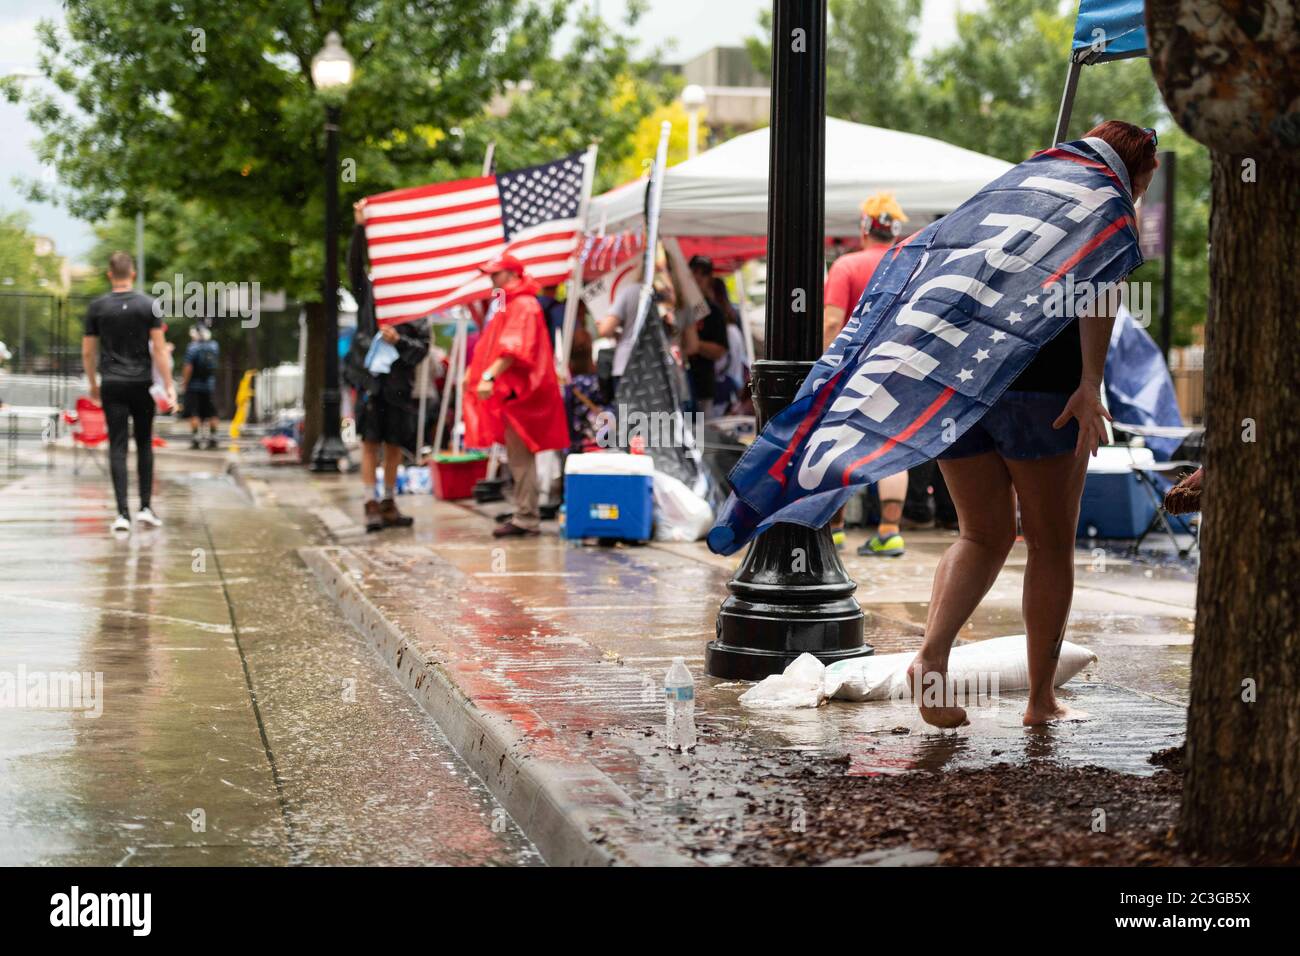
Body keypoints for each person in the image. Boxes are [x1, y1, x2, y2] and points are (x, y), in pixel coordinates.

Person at [909, 121, 1159, 728]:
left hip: (958, 380)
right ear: (1136, 171)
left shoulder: (1018, 188)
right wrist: (1089, 385)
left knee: (980, 535)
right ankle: (1041, 700)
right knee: (1050, 543)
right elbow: (1097, 296)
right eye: (1146, 180)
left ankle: (932, 657)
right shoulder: (1105, 204)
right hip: (1039, 387)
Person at [823, 193, 912, 554]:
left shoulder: (847, 266)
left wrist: (824, 366)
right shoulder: (911, 263)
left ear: (864, 227)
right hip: (898, 367)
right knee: (890, 446)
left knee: (838, 445)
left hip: (851, 368)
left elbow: (831, 320)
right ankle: (889, 531)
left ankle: (836, 528)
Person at [465, 255, 569, 538]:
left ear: (511, 275)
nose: (491, 281)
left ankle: (527, 517)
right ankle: (525, 513)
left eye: (495, 275)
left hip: (523, 395)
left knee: (521, 457)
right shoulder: (512, 304)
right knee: (518, 456)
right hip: (518, 392)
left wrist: (488, 376)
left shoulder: (523, 304)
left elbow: (514, 348)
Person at [346, 200, 431, 532]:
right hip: (371, 382)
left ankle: (389, 502)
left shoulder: (415, 304)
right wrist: (360, 228)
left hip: (398, 383)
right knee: (370, 442)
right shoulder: (369, 293)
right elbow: (354, 266)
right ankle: (370, 501)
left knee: (394, 443)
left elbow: (422, 348)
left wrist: (400, 342)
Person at [82, 251, 177, 534]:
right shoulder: (149, 305)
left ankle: (122, 513)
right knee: (145, 442)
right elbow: (159, 349)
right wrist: (169, 385)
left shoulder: (97, 307)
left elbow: (88, 352)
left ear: (110, 274)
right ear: (132, 274)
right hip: (142, 384)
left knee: (118, 446)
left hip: (112, 383)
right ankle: (145, 507)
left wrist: (93, 383)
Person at [683, 255, 728, 420]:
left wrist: (694, 344)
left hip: (702, 386)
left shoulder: (714, 312)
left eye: (704, 274)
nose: (699, 277)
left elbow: (720, 350)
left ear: (710, 278)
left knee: (700, 438)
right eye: (695, 272)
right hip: (676, 386)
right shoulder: (677, 306)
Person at [181, 323, 220, 449]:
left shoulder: (192, 348)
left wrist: (185, 383)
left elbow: (188, 367)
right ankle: (213, 437)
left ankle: (196, 438)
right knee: (211, 412)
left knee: (194, 413)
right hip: (209, 385)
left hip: (194, 386)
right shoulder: (214, 346)